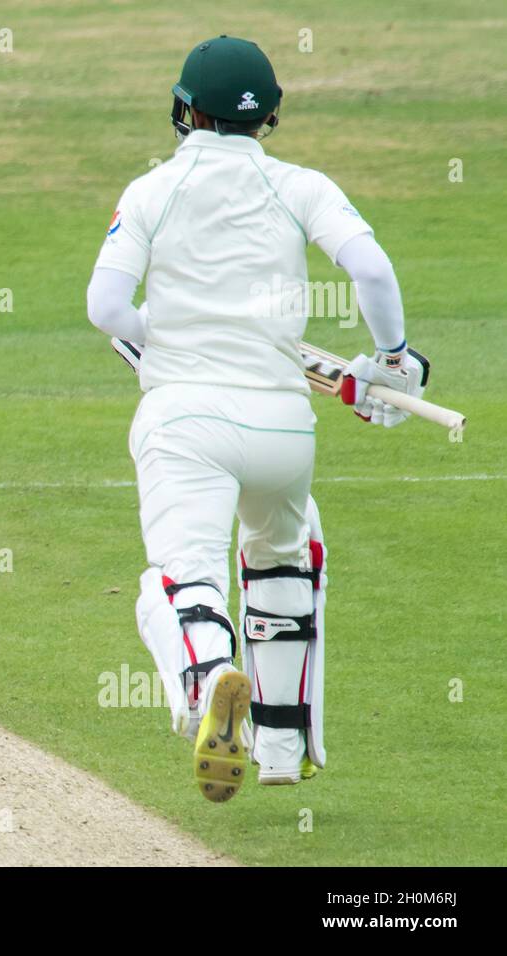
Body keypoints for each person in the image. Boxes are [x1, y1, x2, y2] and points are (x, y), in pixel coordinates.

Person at [85, 36, 430, 801]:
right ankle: (279, 746)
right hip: (282, 427)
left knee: (181, 578)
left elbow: (105, 309)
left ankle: (208, 678)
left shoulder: (153, 191)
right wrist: (393, 358)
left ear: (183, 109)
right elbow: (370, 268)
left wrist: (162, 333)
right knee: (285, 554)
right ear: (271, 113)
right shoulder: (299, 185)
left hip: (185, 419)